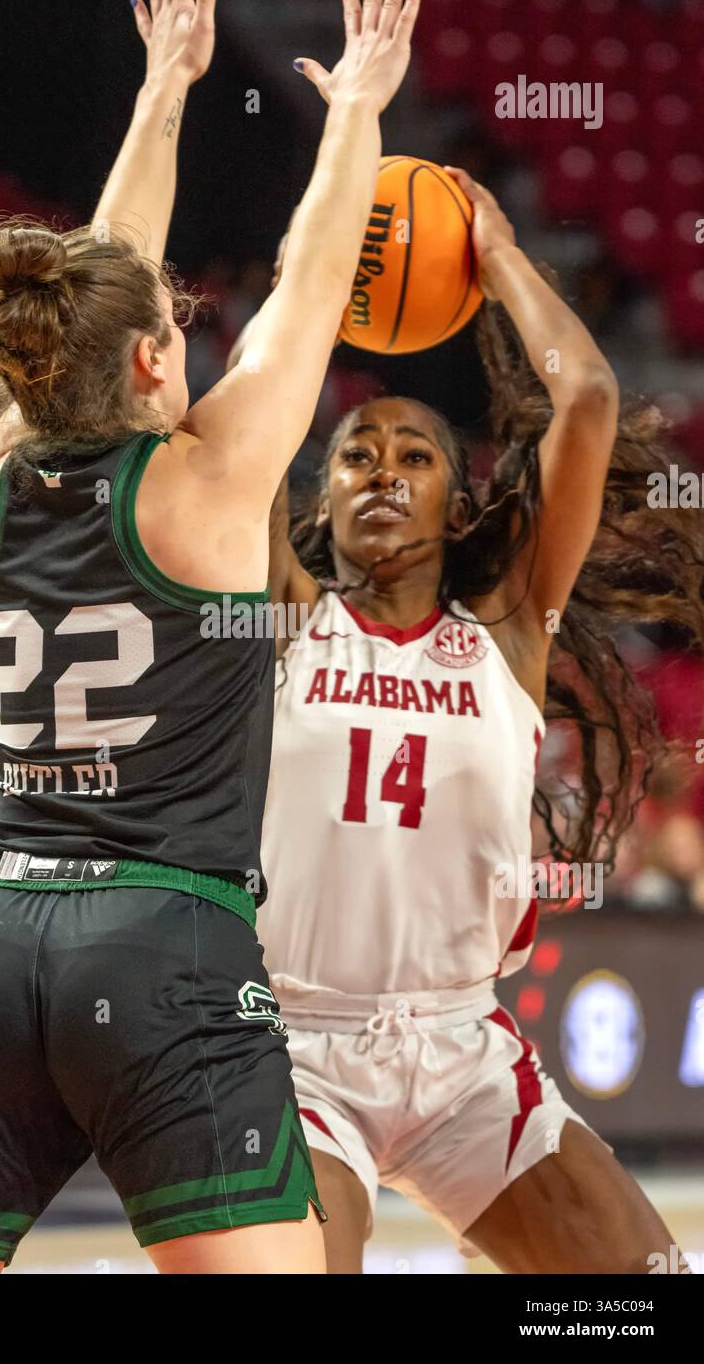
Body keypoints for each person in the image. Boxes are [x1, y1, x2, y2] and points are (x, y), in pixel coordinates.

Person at [0, 0, 424, 1275]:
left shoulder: (2, 472)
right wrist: (357, 119)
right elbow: (319, 277)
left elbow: (91, 293)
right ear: (160, 363)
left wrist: (165, 84)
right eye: (176, 325)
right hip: (163, 939)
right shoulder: (210, 482)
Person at [239, 169, 704, 1272]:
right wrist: (311, 267)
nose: (384, 473)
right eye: (357, 454)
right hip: (296, 1048)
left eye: (415, 457)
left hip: (462, 1049)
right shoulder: (279, 616)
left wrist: (493, 251)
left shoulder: (508, 629)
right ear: (321, 499)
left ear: (458, 503)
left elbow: (586, 400)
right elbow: (256, 393)